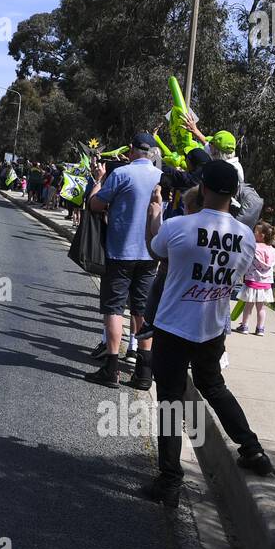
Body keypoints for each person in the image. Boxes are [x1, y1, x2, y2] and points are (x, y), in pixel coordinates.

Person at [142, 160, 274, 507]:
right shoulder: (246, 236)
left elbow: (155, 251)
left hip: (173, 326)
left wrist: (154, 212)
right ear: (233, 195)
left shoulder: (179, 226)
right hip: (212, 328)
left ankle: (170, 480)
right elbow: (237, 276)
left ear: (203, 189)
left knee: (170, 399)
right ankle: (251, 448)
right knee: (214, 386)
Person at [84, 133, 162, 389]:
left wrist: (97, 181)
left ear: (131, 150)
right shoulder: (160, 177)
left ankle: (111, 367)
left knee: (115, 309)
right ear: (152, 153)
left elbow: (96, 205)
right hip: (150, 254)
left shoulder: (121, 174)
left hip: (120, 252)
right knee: (142, 310)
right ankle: (143, 372)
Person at [234, 223, 275, 336]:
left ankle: (244, 326)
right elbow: (274, 267)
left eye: (255, 232)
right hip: (266, 284)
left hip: (252, 281)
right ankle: (260, 329)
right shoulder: (274, 252)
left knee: (248, 305)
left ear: (262, 235)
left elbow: (245, 261)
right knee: (261, 308)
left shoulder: (253, 247)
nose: (253, 233)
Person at [181, 110, 244, 185]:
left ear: (216, 151)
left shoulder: (225, 173)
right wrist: (194, 130)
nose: (209, 145)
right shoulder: (223, 156)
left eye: (211, 144)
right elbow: (205, 142)